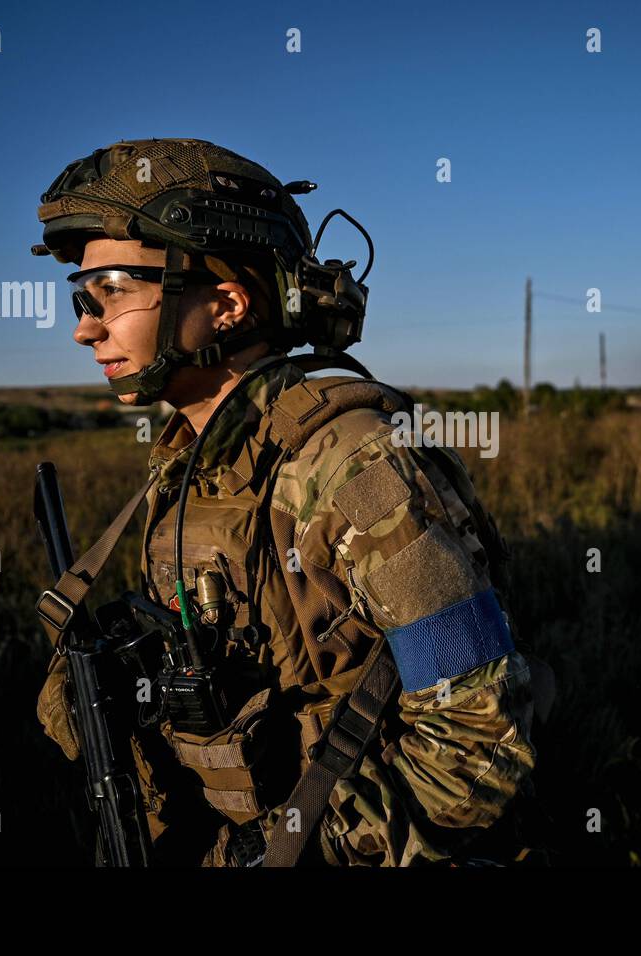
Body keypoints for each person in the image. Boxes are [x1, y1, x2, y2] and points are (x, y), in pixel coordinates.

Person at [31, 139, 551, 866]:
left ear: (228, 305)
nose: (85, 325)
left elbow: (478, 738)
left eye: (112, 289)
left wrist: (295, 851)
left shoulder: (355, 464)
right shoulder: (192, 463)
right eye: (81, 298)